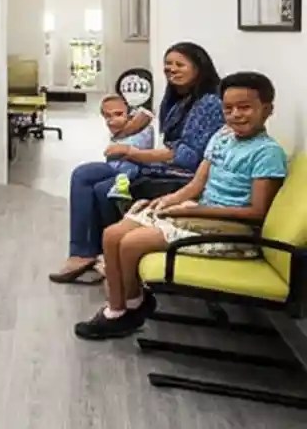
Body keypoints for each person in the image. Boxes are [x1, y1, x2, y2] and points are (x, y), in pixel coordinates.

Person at [74, 71, 288, 340]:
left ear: (267, 109)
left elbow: (257, 214)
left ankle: (130, 307)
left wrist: (191, 210)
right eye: (228, 108)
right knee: (112, 234)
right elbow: (196, 184)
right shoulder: (222, 136)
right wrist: (168, 200)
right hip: (198, 214)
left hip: (230, 230)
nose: (236, 115)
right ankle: (119, 308)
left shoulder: (267, 153)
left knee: (131, 243)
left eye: (245, 107)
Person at [49, 42, 225, 284]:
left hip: (185, 176)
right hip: (161, 166)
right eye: (168, 64)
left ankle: (114, 258)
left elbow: (188, 156)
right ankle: (82, 253)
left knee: (104, 189)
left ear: (199, 68)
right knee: (83, 174)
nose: (171, 69)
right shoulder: (176, 98)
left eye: (179, 64)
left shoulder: (208, 103)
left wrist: (131, 152)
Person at [100, 94, 155, 201]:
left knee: (100, 188)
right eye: (108, 116)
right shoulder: (116, 132)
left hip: (137, 169)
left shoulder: (144, 128)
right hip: (114, 167)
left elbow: (147, 115)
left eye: (118, 114)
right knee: (82, 176)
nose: (113, 120)